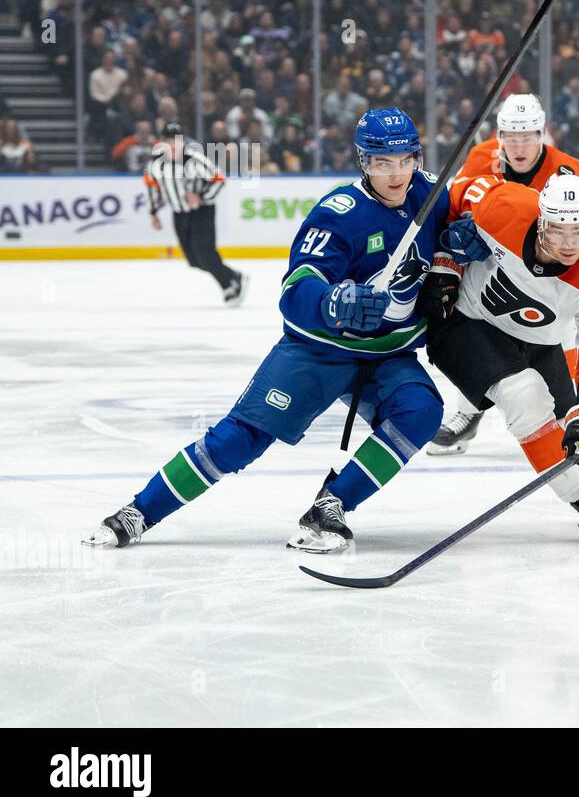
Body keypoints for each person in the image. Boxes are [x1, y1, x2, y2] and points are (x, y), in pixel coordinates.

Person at [85, 108, 469, 552]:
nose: (397, 173)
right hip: (321, 351)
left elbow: (465, 223)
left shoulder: (433, 192)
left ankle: (332, 505)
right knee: (239, 440)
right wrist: (332, 303)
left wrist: (460, 242)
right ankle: (138, 513)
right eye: (383, 162)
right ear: (363, 162)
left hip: (388, 355)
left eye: (406, 159)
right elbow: (296, 288)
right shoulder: (339, 214)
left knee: (421, 411)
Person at [420, 170, 579, 540]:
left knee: (573, 424)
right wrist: (448, 255)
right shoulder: (503, 205)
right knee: (524, 395)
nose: (570, 243)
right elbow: (455, 194)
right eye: (559, 229)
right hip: (465, 323)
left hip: (538, 339)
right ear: (542, 221)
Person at [427, 94, 579, 455]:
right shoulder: (481, 157)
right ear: (499, 135)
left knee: (555, 335)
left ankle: (567, 418)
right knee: (478, 326)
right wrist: (458, 239)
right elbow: (453, 207)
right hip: (489, 263)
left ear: (542, 134)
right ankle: (469, 410)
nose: (519, 146)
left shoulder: (570, 170)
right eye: (511, 136)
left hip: (549, 275)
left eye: (528, 136)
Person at [144, 122, 246, 305]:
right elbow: (152, 185)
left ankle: (228, 286)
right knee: (193, 260)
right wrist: (153, 212)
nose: (173, 145)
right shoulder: (156, 164)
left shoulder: (194, 158)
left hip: (202, 211)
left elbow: (219, 179)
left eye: (176, 140)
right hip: (179, 213)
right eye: (168, 140)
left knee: (205, 253)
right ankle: (233, 276)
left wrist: (201, 196)